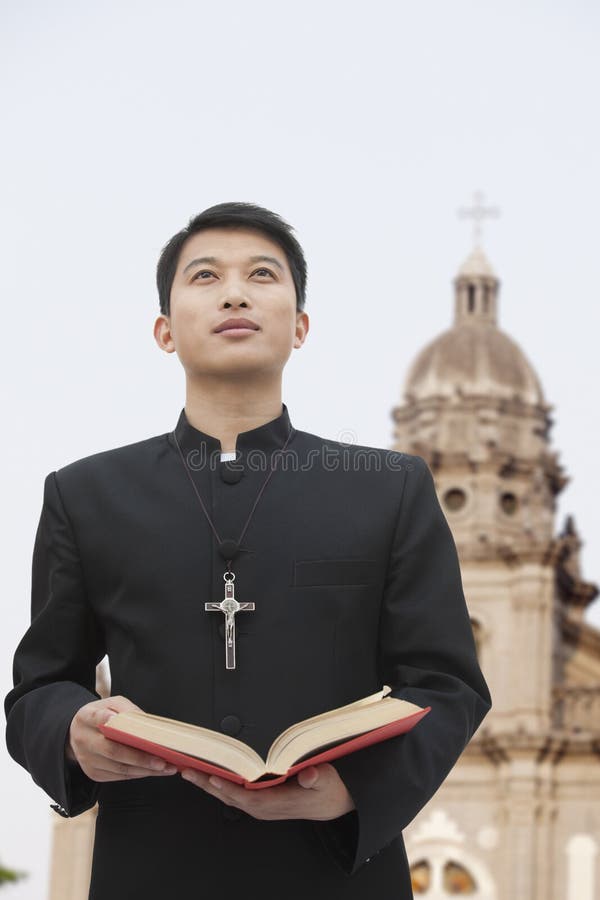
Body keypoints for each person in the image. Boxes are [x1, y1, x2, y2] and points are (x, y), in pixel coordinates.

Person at [4, 202, 492, 899]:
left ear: (300, 327)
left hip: (334, 870)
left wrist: (353, 786)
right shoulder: (85, 494)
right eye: (205, 276)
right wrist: (69, 730)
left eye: (262, 274)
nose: (235, 291)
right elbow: (40, 685)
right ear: (164, 331)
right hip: (149, 870)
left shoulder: (390, 489)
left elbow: (449, 686)